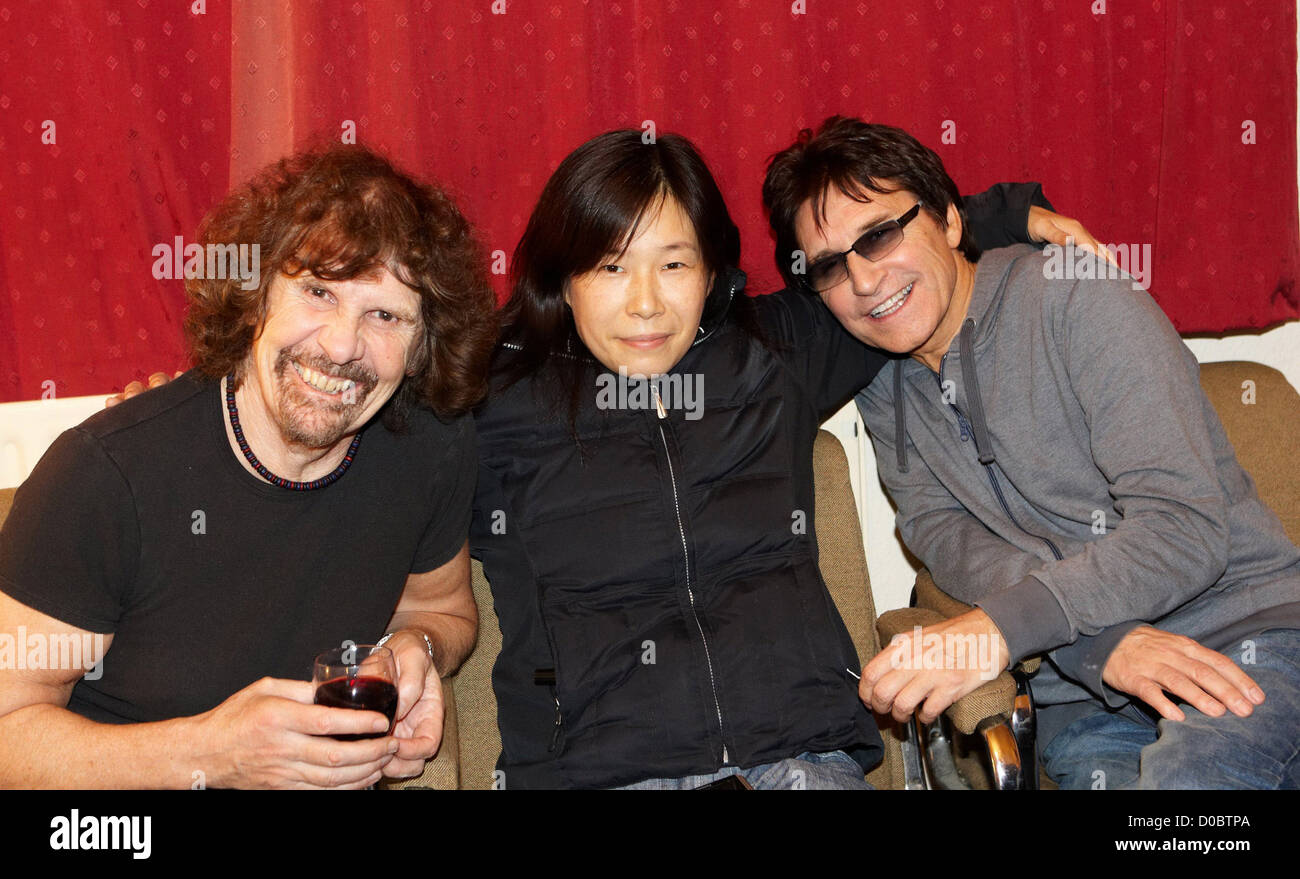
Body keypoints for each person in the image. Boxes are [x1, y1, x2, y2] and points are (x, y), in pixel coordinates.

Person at [470, 129, 1085, 789]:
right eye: (611, 266)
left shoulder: (770, 354)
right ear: (563, 278)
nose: (644, 302)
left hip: (797, 760)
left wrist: (1010, 214)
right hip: (598, 772)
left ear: (710, 273)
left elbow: (896, 251)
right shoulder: (492, 404)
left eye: (673, 264)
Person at [763, 116, 1300, 789]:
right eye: (831, 266)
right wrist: (1099, 645)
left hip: (1241, 637)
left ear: (951, 223)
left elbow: (1184, 527)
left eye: (880, 235)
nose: (865, 280)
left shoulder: (1077, 297)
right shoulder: (880, 380)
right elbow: (947, 539)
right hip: (1084, 692)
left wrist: (1000, 628)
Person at [0, 144, 498, 788]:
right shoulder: (103, 476)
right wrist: (215, 755)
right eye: (318, 291)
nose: (343, 344)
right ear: (256, 292)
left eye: (384, 314)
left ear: (423, 342)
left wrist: (414, 654)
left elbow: (444, 611)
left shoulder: (430, 447)